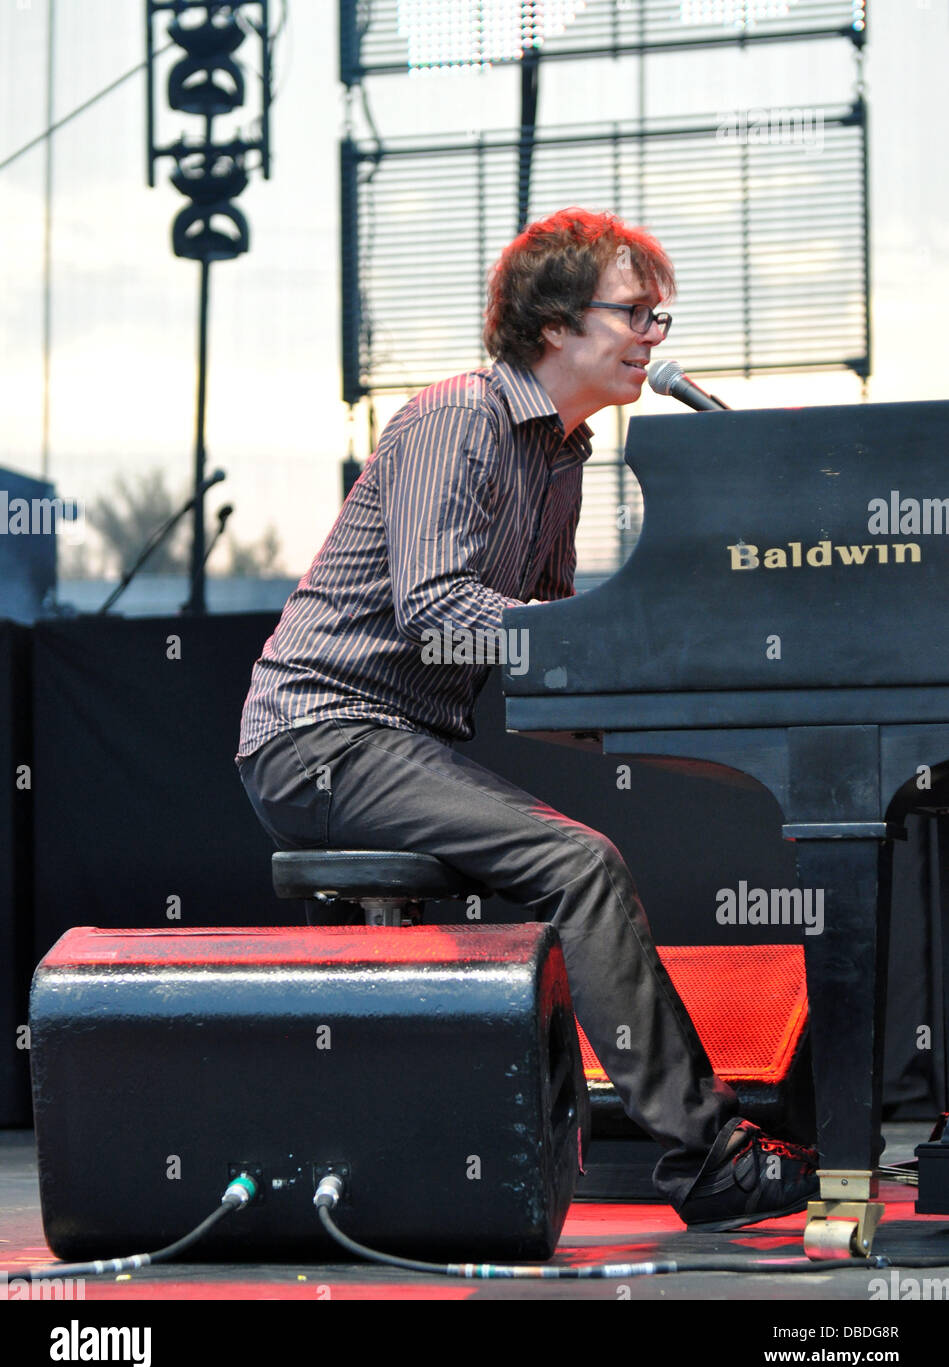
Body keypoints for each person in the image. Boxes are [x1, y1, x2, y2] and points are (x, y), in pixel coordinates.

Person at [236, 207, 818, 1230]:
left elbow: (540, 649)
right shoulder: (455, 419)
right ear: (553, 324)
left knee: (578, 859)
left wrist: (678, 706)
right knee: (579, 862)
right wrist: (606, 633)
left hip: (393, 739)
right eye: (635, 312)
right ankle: (707, 1159)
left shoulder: (563, 454)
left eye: (658, 318)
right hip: (318, 736)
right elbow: (441, 611)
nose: (652, 335)